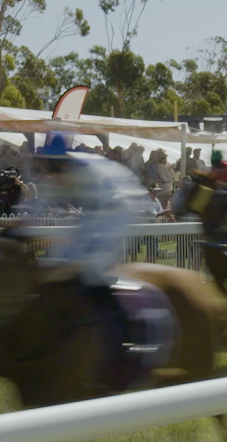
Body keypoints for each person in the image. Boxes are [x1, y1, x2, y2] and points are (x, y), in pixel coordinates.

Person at [24, 132, 144, 314]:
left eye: (51, 166)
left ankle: (119, 322)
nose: (48, 172)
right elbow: (35, 208)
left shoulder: (85, 173)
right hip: (98, 208)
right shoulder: (61, 172)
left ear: (62, 163)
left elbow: (93, 227)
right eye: (47, 166)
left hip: (120, 205)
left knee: (89, 267)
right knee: (62, 260)